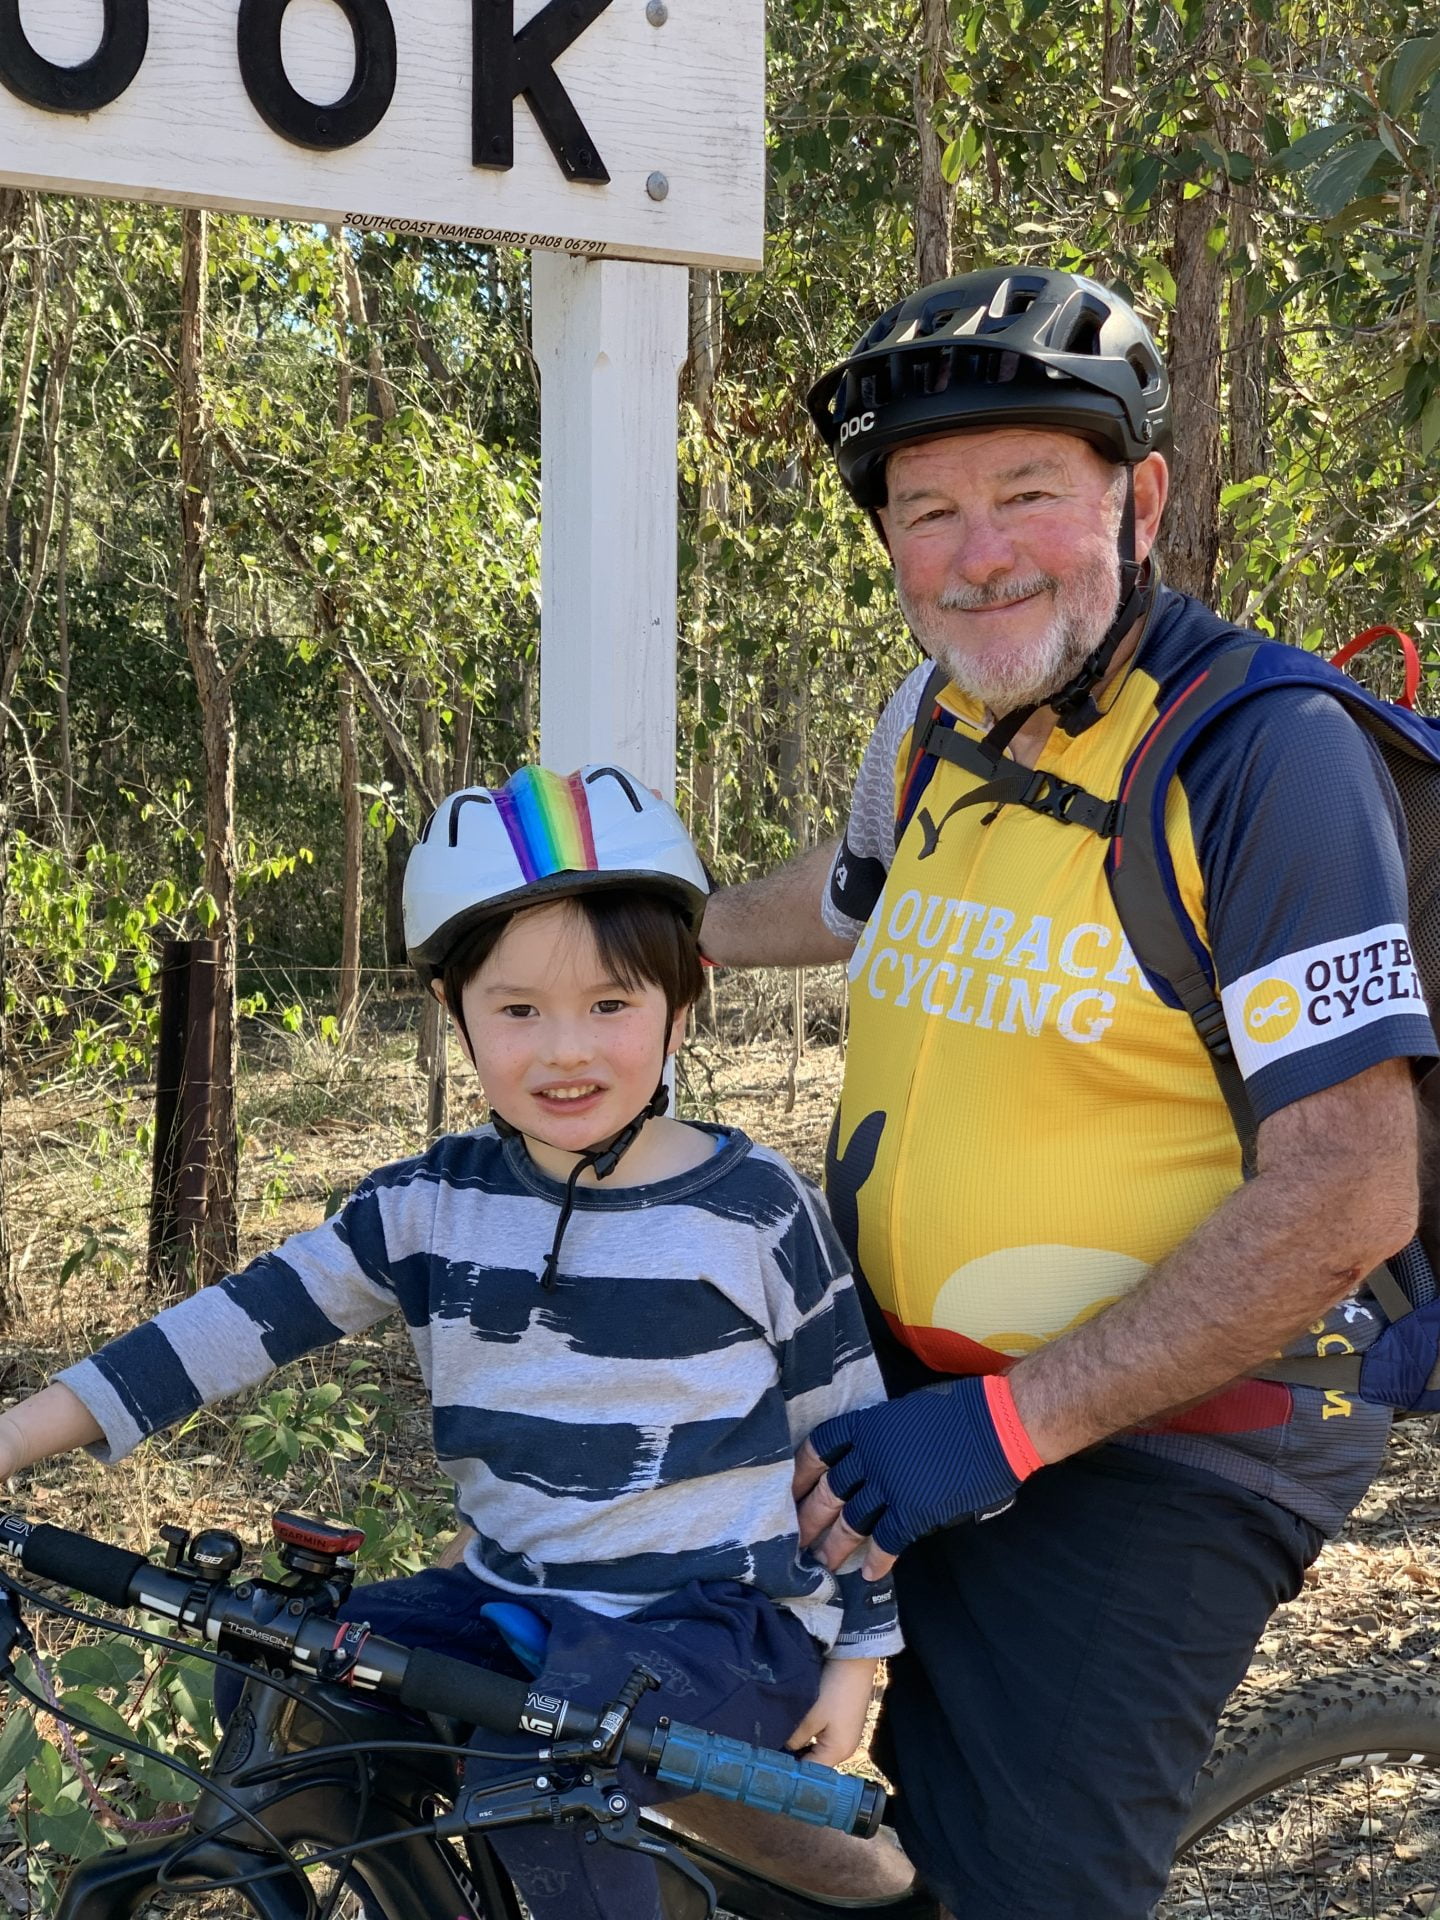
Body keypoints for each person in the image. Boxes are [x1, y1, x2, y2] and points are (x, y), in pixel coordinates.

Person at [699, 265, 1430, 1918]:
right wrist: (670, 939)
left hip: (1171, 1436)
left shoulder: (1262, 758)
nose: (977, 551)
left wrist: (1008, 1431)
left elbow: (1351, 1190)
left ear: (1139, 495)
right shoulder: (937, 720)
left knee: (1012, 1886)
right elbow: (847, 897)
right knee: (737, 1789)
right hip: (902, 1397)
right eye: (926, 508)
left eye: (1027, 490)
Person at [0, 763, 902, 1920]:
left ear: (682, 1006)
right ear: (455, 1014)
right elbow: (232, 1326)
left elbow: (848, 1436)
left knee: (549, 1776)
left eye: (612, 1005)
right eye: (518, 1011)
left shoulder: (752, 1210)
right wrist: (17, 1442)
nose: (565, 1051)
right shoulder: (427, 1206)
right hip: (506, 1599)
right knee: (284, 1686)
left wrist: (857, 1653)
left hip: (719, 1620)